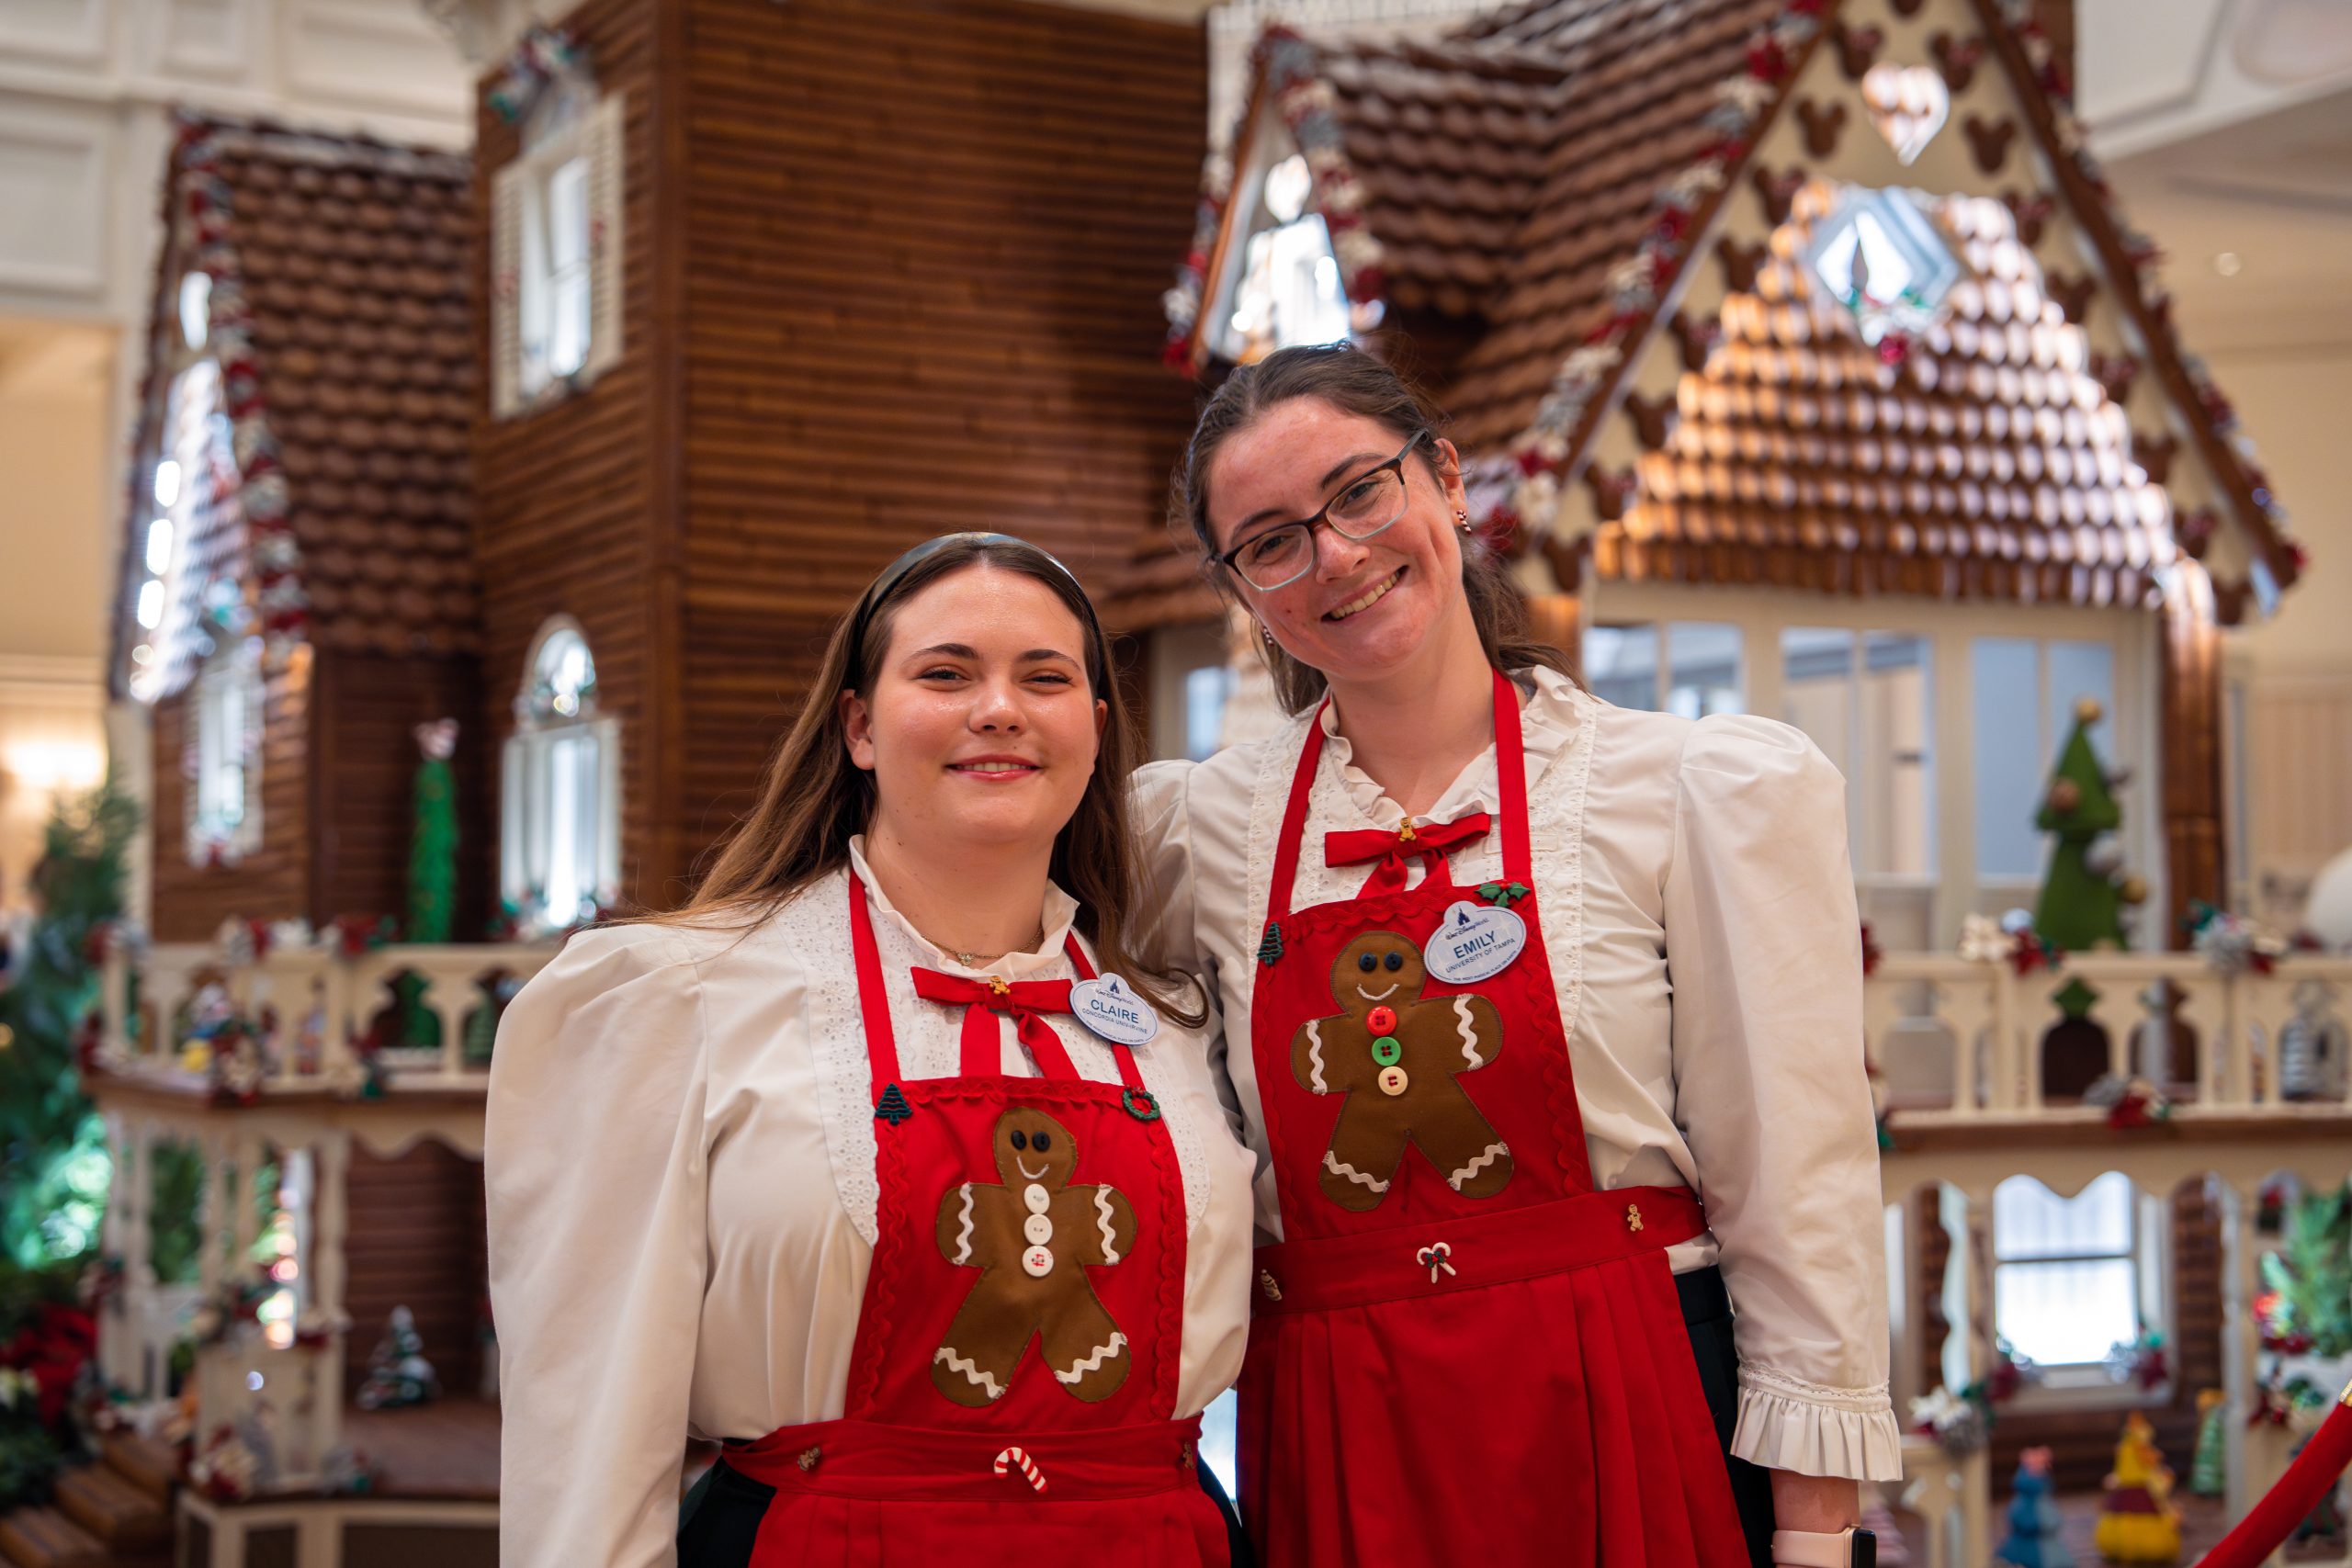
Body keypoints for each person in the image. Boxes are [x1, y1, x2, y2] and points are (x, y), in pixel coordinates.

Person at [1137, 345, 1900, 1568]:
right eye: (1271, 541)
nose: (1333, 554)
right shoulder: (1193, 832)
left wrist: (1815, 1535)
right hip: (1338, 1425)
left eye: (1358, 492)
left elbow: (1795, 1185)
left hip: (1631, 1390)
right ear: (1242, 587)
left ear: (1445, 479)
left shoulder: (1686, 788)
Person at [488, 535, 1258, 1567]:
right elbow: (587, 1440)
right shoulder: (683, 998)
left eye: (1046, 678)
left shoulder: (1173, 1016)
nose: (1001, 708)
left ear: (1096, 729)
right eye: (946, 674)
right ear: (857, 725)